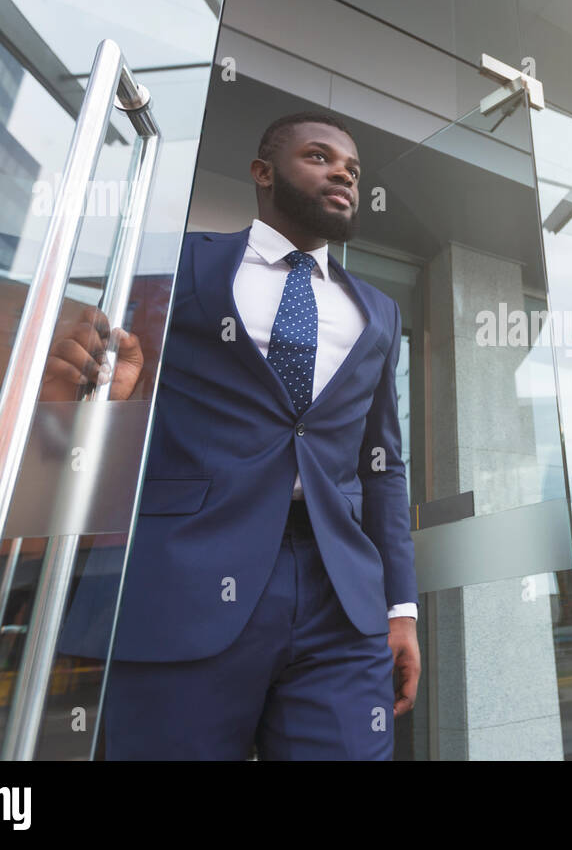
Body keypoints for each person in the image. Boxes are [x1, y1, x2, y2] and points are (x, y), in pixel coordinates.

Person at [47, 112, 420, 759]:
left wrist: (401, 604)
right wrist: (103, 403)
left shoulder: (378, 311)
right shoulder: (179, 265)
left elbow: (381, 466)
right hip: (187, 579)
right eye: (319, 156)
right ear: (262, 171)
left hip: (341, 598)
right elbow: (115, 403)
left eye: (353, 169)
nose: (343, 173)